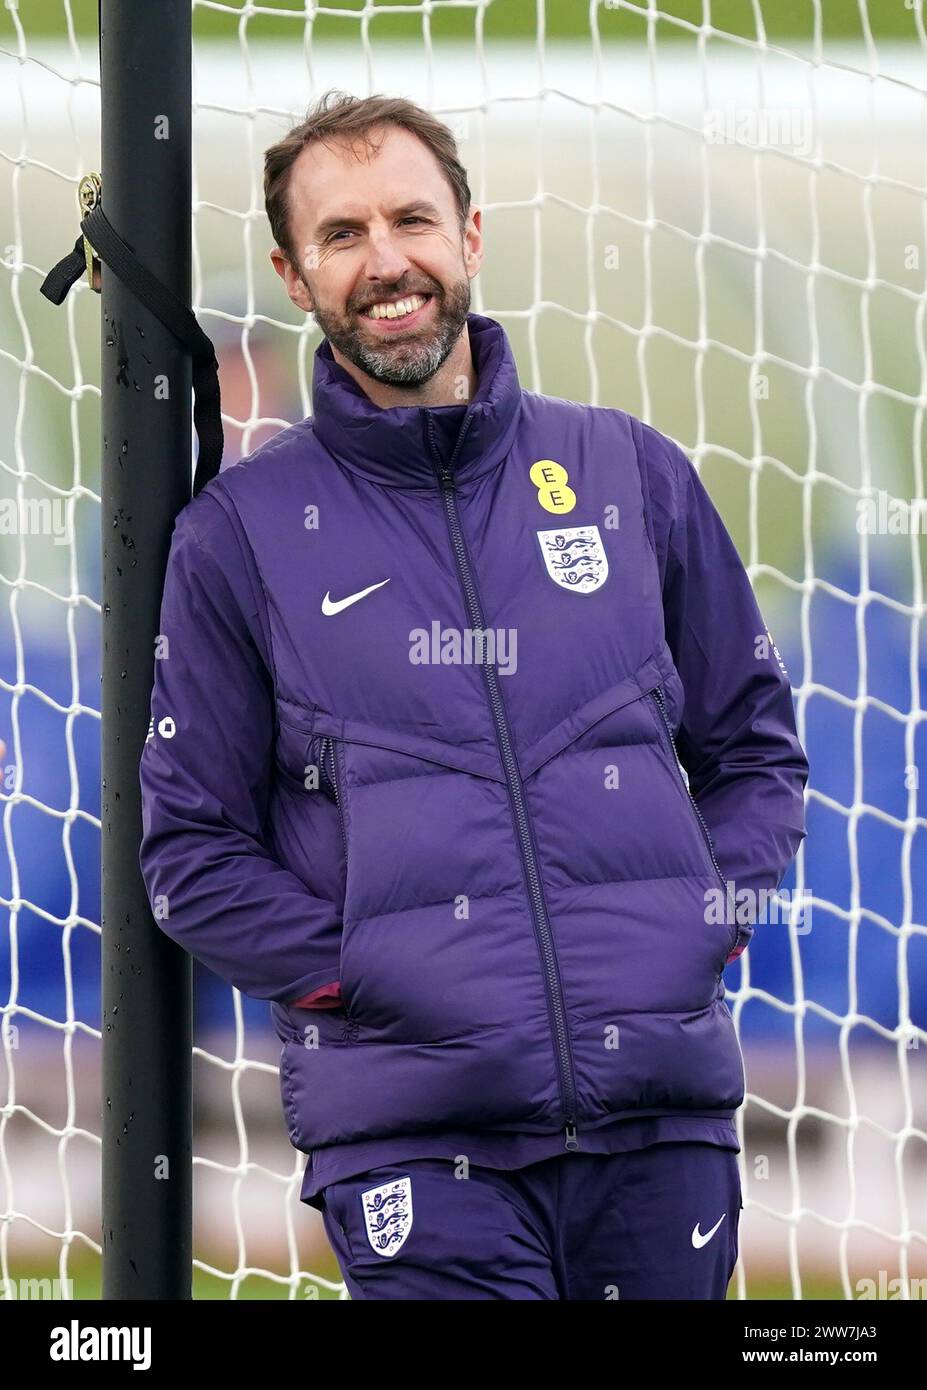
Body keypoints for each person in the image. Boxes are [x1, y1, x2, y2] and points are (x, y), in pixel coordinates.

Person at [138, 90, 809, 1300]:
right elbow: (193, 853)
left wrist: (697, 927)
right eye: (342, 235)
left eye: (412, 219)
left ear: (472, 236)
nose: (387, 262)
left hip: (663, 1129)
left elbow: (757, 751)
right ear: (295, 277)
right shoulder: (237, 537)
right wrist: (370, 974)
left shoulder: (631, 473)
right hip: (411, 1144)